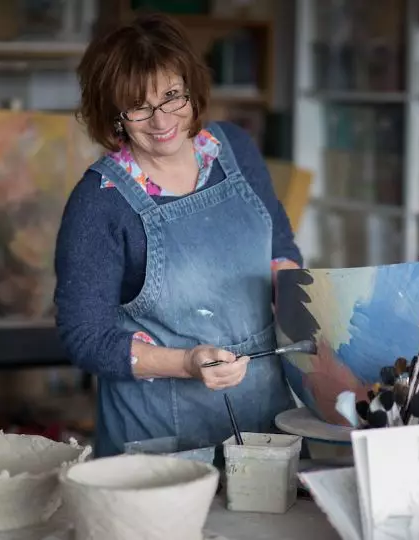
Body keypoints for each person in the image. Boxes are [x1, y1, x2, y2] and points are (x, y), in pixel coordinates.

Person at [54, 13, 301, 457]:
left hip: (266, 416)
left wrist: (298, 301)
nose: (161, 119)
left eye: (172, 96)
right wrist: (186, 363)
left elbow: (278, 245)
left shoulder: (234, 149)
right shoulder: (99, 202)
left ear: (191, 87)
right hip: (161, 436)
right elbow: (85, 336)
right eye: (139, 106)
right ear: (114, 115)